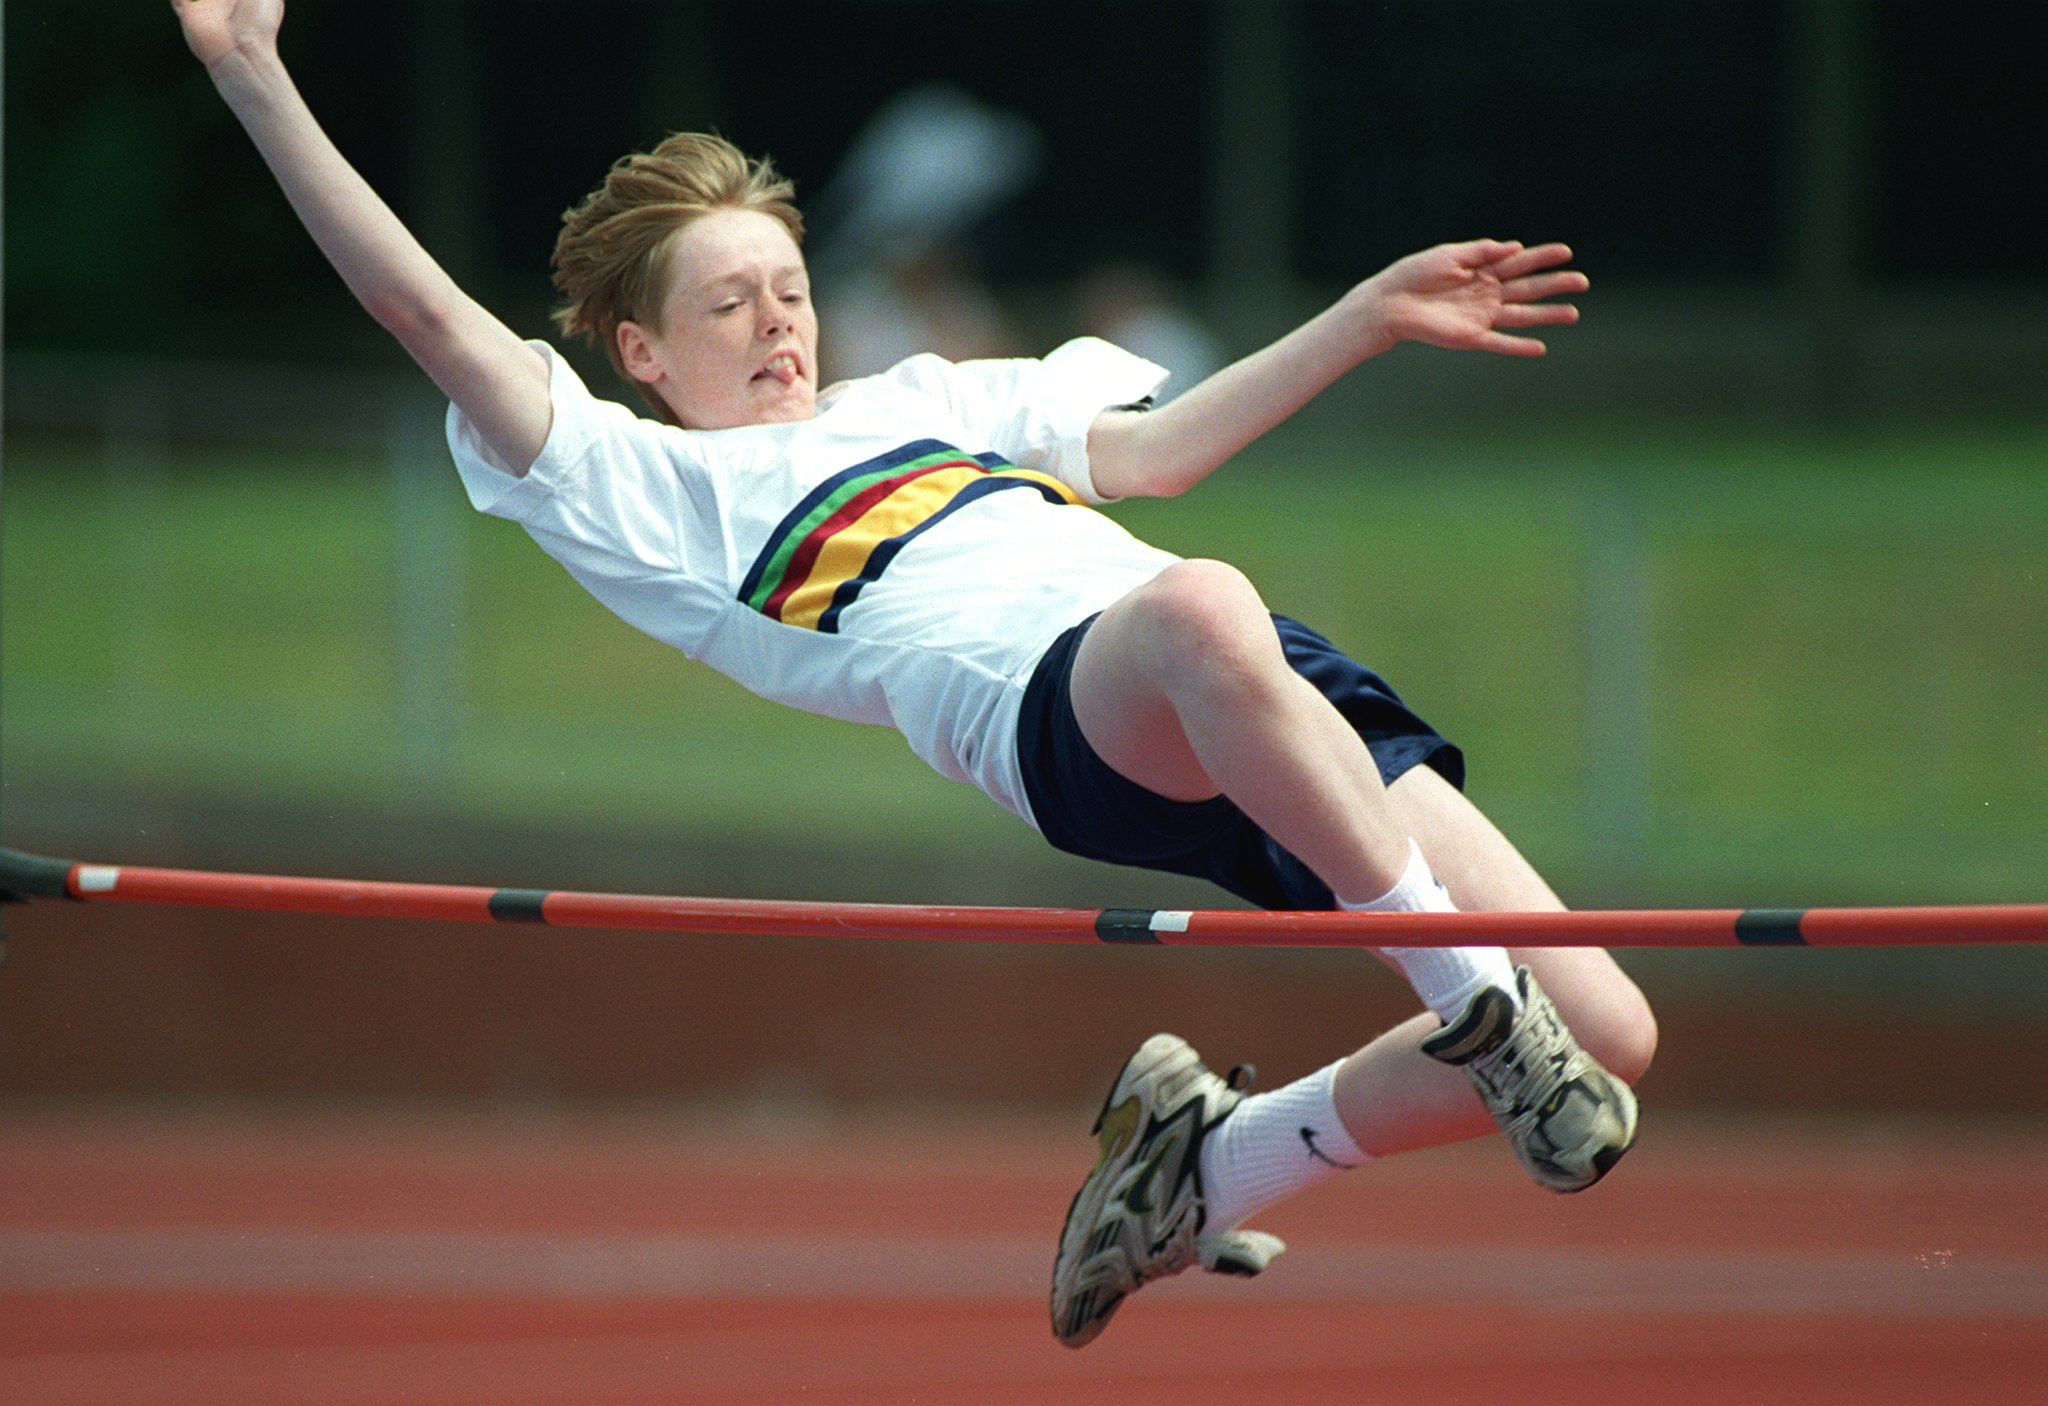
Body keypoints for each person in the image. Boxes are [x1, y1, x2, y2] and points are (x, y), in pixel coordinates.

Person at [172, 0, 1657, 1352]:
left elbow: (1160, 450)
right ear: (641, 350)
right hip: (1071, 710)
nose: (777, 323)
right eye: (728, 305)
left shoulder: (931, 397)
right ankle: (1475, 1008)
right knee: (1211, 615)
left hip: (1256, 683)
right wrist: (253, 73)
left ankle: (1209, 1159)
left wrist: (1368, 316)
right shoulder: (642, 487)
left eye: (789, 287)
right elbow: (426, 317)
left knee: (1609, 1029)